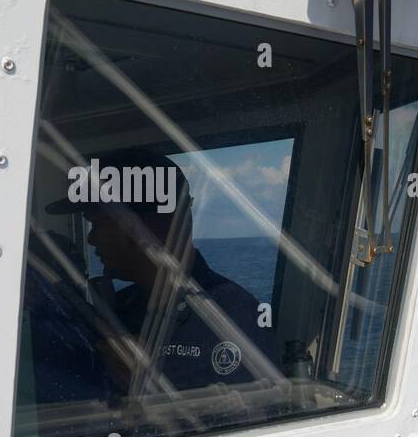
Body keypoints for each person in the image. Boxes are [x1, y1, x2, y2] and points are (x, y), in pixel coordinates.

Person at [46, 151, 277, 397]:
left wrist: (145, 382)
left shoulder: (233, 318)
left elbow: (250, 425)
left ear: (143, 227)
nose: (91, 238)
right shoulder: (121, 307)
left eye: (98, 223)